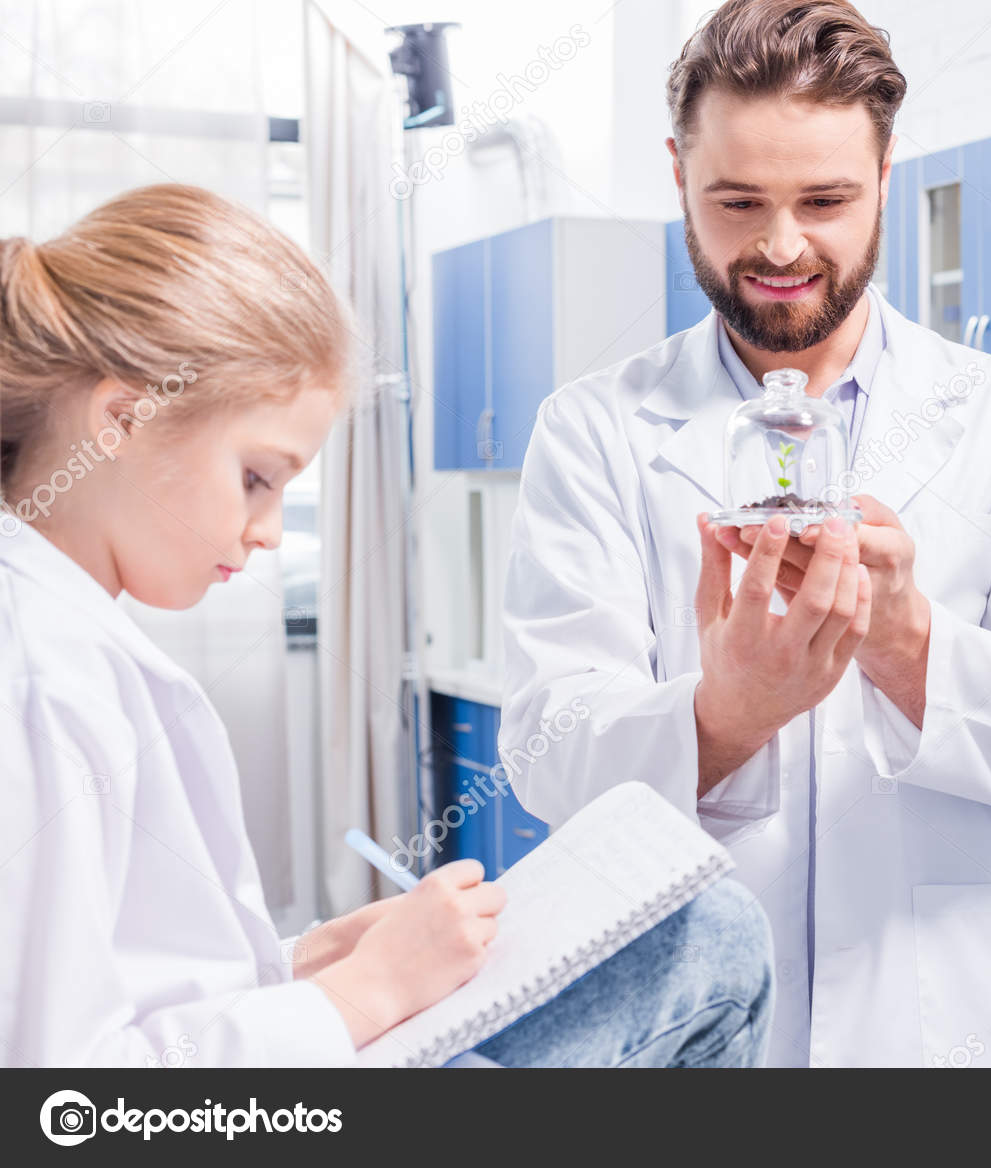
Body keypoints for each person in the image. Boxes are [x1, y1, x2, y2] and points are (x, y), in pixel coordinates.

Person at [0, 184, 773, 1068]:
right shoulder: (38, 675)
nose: (264, 529)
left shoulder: (63, 639)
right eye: (257, 476)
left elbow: (130, 984)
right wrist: (362, 996)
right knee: (705, 946)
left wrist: (299, 966)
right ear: (122, 420)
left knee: (702, 930)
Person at [499, 0, 991, 1067]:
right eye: (736, 200)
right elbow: (547, 750)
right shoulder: (594, 429)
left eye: (826, 199)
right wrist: (723, 715)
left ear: (886, 175)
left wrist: (907, 643)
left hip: (948, 1030)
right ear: (676, 174)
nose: (781, 246)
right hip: (695, 1022)